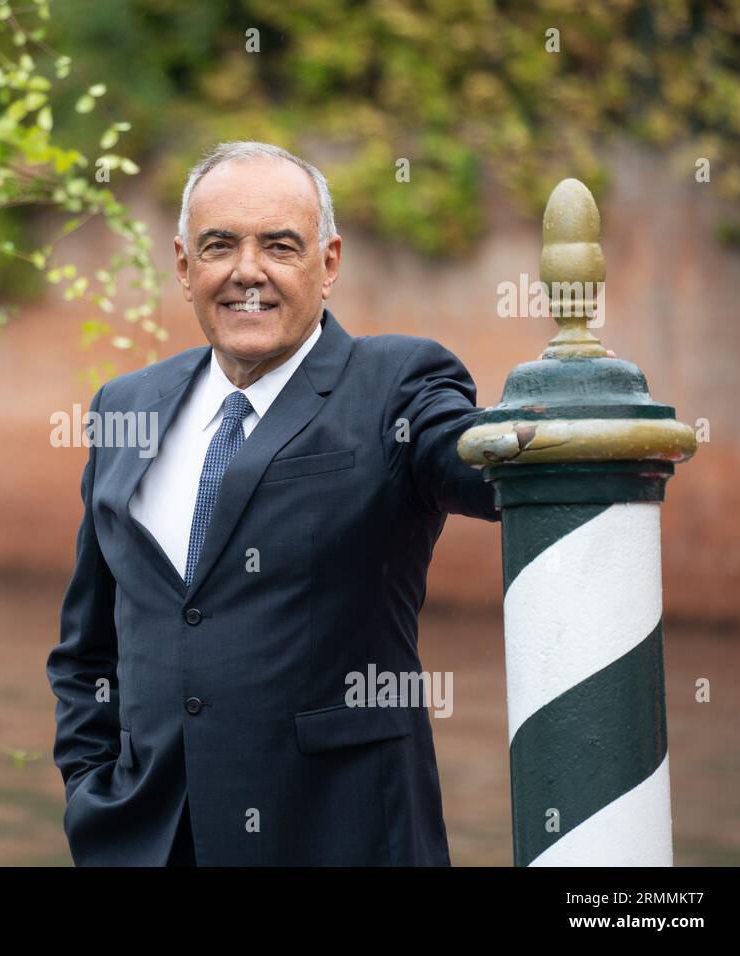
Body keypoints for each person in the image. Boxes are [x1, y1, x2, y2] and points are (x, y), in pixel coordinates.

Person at [46, 141, 501, 866]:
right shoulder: (124, 407)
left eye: (279, 245)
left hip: (337, 839)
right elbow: (85, 650)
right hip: (147, 842)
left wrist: (555, 444)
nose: (247, 271)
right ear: (185, 265)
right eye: (220, 245)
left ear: (327, 263)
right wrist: (90, 787)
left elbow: (472, 458)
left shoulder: (395, 385)